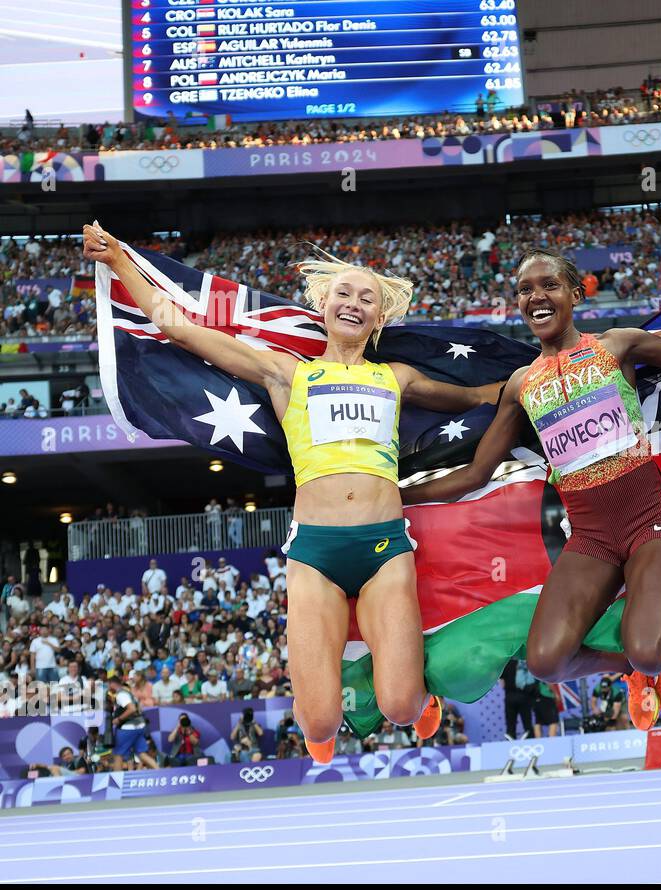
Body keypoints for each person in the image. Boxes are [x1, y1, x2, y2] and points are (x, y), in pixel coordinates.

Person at [85, 222, 501, 765]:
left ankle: (419, 697)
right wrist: (119, 260)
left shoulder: (396, 377)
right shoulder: (286, 374)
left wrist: (550, 377)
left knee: (400, 706)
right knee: (320, 722)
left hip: (385, 548)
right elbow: (178, 328)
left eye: (366, 298)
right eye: (343, 294)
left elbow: (476, 395)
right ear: (323, 305)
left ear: (378, 318)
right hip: (315, 554)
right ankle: (327, 712)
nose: (353, 303)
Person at [402, 248, 661, 730]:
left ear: (576, 295)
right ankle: (630, 673)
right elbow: (473, 475)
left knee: (650, 649)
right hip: (591, 539)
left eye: (549, 285)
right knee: (546, 662)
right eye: (524, 289)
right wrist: (392, 495)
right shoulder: (521, 385)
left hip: (650, 521)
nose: (536, 296)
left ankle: (660, 652)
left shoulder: (616, 346)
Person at [107, 673, 157, 771]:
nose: (109, 688)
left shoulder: (121, 694)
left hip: (128, 727)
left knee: (118, 754)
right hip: (140, 726)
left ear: (112, 684)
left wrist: (119, 719)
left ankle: (117, 782)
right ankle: (160, 772)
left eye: (109, 685)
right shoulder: (129, 692)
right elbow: (138, 708)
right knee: (142, 754)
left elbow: (132, 709)